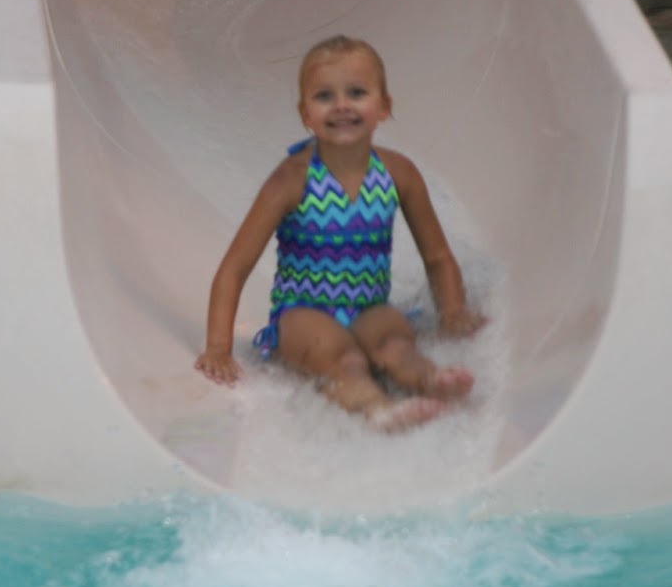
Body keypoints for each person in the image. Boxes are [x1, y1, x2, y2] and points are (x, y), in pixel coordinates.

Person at [195, 35, 484, 431]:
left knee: (395, 343)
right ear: (305, 114)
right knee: (344, 359)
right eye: (324, 96)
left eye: (357, 92)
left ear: (384, 106)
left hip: (368, 309)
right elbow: (234, 268)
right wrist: (218, 347)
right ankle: (376, 407)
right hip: (302, 316)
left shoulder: (399, 173)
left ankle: (431, 380)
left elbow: (437, 257)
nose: (342, 105)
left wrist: (453, 312)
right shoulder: (290, 181)